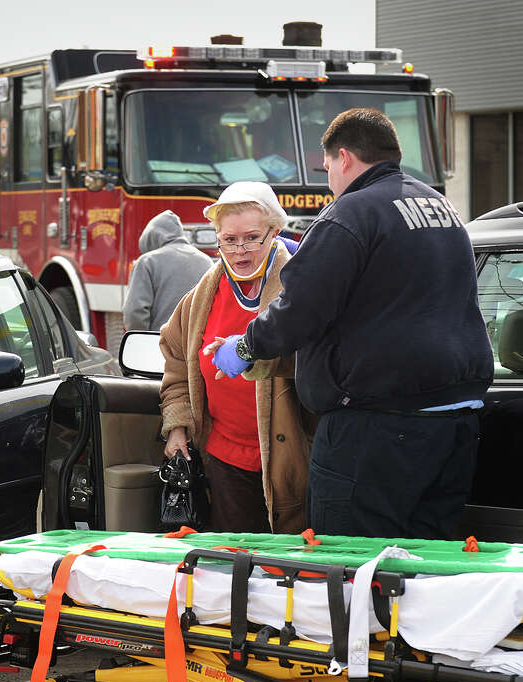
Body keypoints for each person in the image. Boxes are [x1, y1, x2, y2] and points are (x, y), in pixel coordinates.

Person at [211, 108, 494, 541]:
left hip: (376, 428)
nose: (329, 182)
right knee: (427, 563)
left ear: (344, 158)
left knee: (350, 564)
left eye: (326, 168)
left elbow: (301, 308)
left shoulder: (351, 214)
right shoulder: (442, 208)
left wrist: (246, 347)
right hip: (454, 424)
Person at [158, 182, 314, 535]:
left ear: (274, 232)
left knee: (288, 570)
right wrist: (178, 425)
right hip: (224, 460)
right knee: (234, 567)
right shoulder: (200, 296)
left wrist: (251, 355)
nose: (240, 250)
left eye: (252, 238)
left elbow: (323, 360)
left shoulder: (301, 287)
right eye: (229, 240)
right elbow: (177, 362)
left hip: (291, 462)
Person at [123, 210, 210, 331]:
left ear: (151, 238)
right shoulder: (206, 261)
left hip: (157, 344)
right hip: (197, 343)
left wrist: (139, 340)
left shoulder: (147, 262)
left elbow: (135, 311)